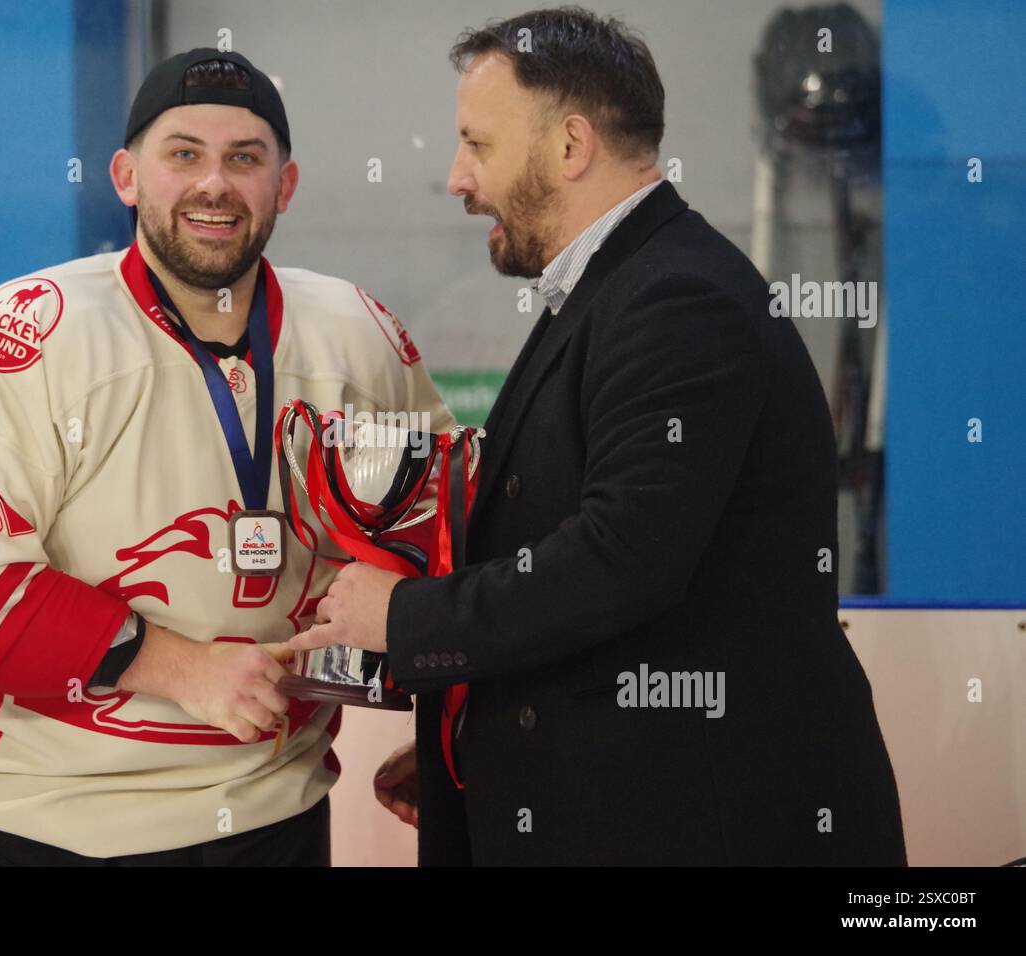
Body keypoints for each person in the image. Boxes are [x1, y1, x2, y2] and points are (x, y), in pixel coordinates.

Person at [291, 8, 907, 865]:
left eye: (479, 145)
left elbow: (622, 560)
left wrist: (402, 617)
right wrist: (480, 743)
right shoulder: (615, 288)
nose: (457, 178)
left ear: (571, 145)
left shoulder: (677, 300)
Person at [0, 48, 452, 866]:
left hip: (270, 827)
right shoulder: (32, 333)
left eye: (244, 159)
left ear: (284, 186)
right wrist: (179, 667)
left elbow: (444, 548)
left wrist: (444, 727)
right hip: (28, 828)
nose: (213, 184)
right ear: (126, 175)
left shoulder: (357, 336)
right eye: (183, 154)